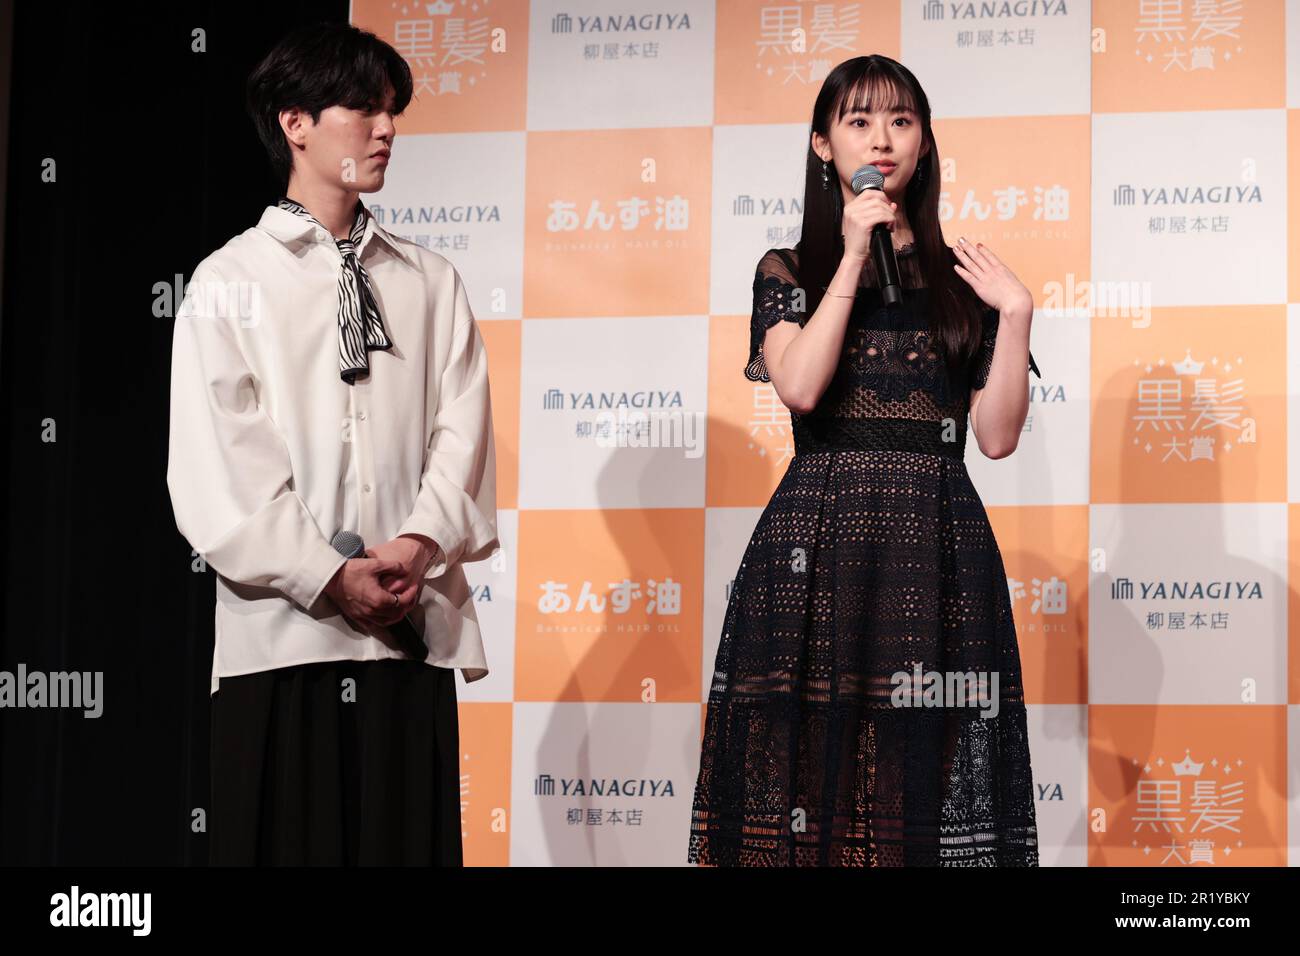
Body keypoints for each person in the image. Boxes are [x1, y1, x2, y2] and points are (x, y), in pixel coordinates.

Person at [688, 55, 1041, 866]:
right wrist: (850, 256)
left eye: (901, 120)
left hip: (937, 547)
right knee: (813, 775)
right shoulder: (790, 270)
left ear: (924, 142)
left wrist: (1015, 316)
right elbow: (803, 388)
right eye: (858, 121)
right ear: (822, 145)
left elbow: (995, 436)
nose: (881, 138)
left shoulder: (965, 282)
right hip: (820, 542)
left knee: (918, 775)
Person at [165, 21, 498, 865]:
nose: (387, 129)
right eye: (364, 108)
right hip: (282, 640)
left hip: (406, 628)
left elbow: (462, 428)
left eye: (392, 111)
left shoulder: (429, 279)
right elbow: (217, 466)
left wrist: (417, 545)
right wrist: (329, 576)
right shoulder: (228, 281)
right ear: (295, 122)